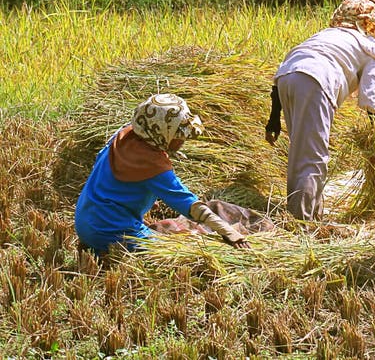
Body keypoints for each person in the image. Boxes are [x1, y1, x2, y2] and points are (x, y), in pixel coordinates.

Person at [75, 93, 249, 256]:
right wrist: (228, 232)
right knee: (185, 253)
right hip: (110, 232)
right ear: (162, 132)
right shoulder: (150, 164)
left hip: (85, 220)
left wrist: (140, 196)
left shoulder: (123, 137)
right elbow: (188, 203)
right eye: (178, 135)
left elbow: (108, 175)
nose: (182, 140)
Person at [264, 0, 375, 220]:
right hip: (316, 82)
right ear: (370, 20)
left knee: (300, 152)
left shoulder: (324, 35)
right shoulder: (369, 46)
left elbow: (289, 67)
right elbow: (373, 100)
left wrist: (273, 119)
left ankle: (308, 213)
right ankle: (303, 223)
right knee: (313, 158)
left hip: (285, 80)